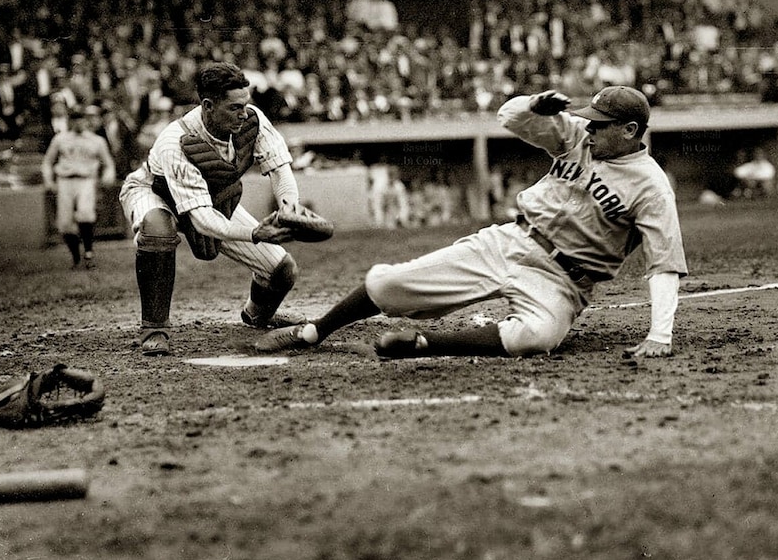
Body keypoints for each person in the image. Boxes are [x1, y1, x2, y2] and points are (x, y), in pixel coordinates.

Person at [256, 85, 688, 360]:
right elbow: (509, 118)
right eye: (589, 121)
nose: (589, 129)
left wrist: (660, 336)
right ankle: (314, 331)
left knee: (536, 337)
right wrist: (533, 104)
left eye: (602, 125)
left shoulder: (652, 188)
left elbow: (664, 263)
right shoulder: (577, 136)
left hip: (562, 280)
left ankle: (423, 346)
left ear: (631, 130)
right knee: (388, 285)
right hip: (507, 241)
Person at [118, 62, 307, 357]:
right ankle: (154, 329)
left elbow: (281, 171)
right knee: (158, 230)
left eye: (246, 103)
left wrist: (289, 207)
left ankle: (257, 313)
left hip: (210, 197)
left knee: (283, 271)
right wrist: (255, 232)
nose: (244, 113)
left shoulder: (252, 119)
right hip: (154, 192)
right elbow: (204, 222)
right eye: (234, 107)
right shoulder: (176, 142)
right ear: (207, 105)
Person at [41, 107, 117, 269]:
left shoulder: (96, 140)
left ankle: (88, 253)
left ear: (85, 120)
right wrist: (48, 180)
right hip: (65, 180)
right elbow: (47, 162)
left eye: (80, 118)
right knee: (65, 223)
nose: (78, 122)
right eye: (74, 118)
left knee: (85, 213)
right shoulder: (60, 139)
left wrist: (107, 176)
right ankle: (76, 257)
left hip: (86, 179)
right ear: (69, 120)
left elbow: (108, 164)